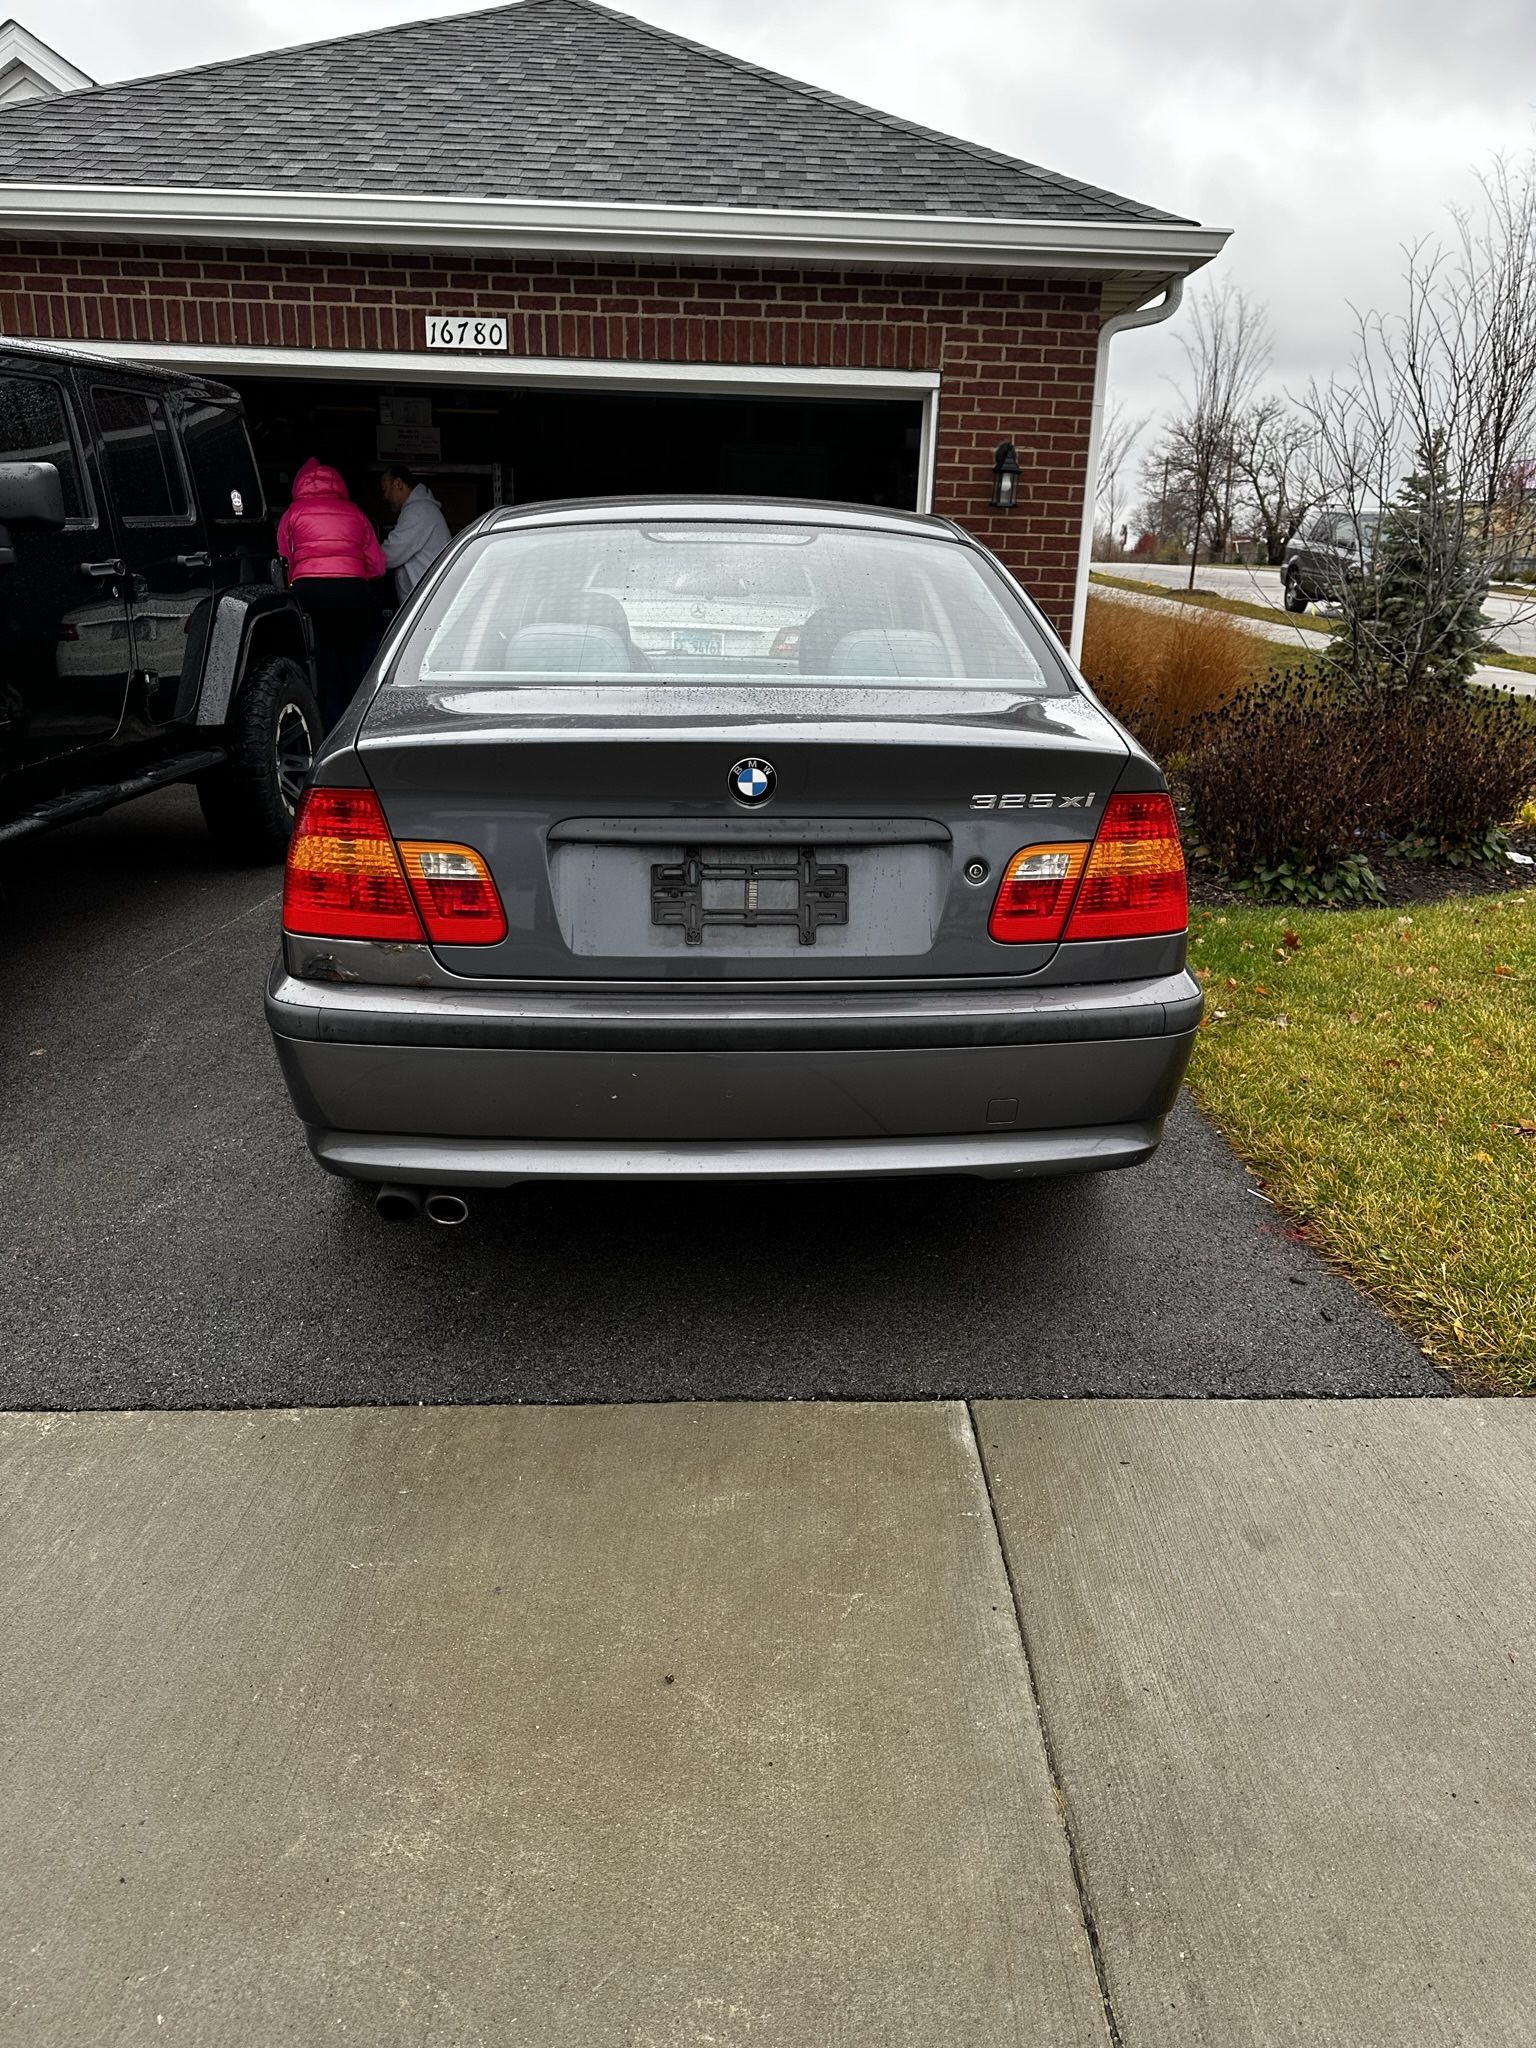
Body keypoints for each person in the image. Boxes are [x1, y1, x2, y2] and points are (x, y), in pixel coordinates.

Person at [276, 457, 388, 728]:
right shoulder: (356, 513)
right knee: (358, 665)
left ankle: (327, 730)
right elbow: (378, 565)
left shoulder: (292, 513)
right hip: (353, 594)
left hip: (310, 595)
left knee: (321, 666)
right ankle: (361, 726)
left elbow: (283, 558)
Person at [380, 464, 452, 603]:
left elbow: (391, 554)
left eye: (386, 489)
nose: (385, 497)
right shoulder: (422, 508)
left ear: (398, 483)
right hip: (429, 597)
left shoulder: (418, 511)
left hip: (427, 601)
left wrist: (364, 560)